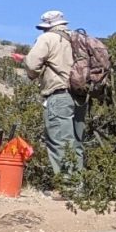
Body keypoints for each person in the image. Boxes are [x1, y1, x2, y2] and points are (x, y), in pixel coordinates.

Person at [15, 9, 84, 175]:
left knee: (60, 142)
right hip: (80, 97)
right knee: (76, 142)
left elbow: (32, 64)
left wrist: (31, 72)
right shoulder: (78, 38)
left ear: (48, 26)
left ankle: (68, 183)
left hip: (59, 95)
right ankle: (79, 182)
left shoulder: (47, 38)